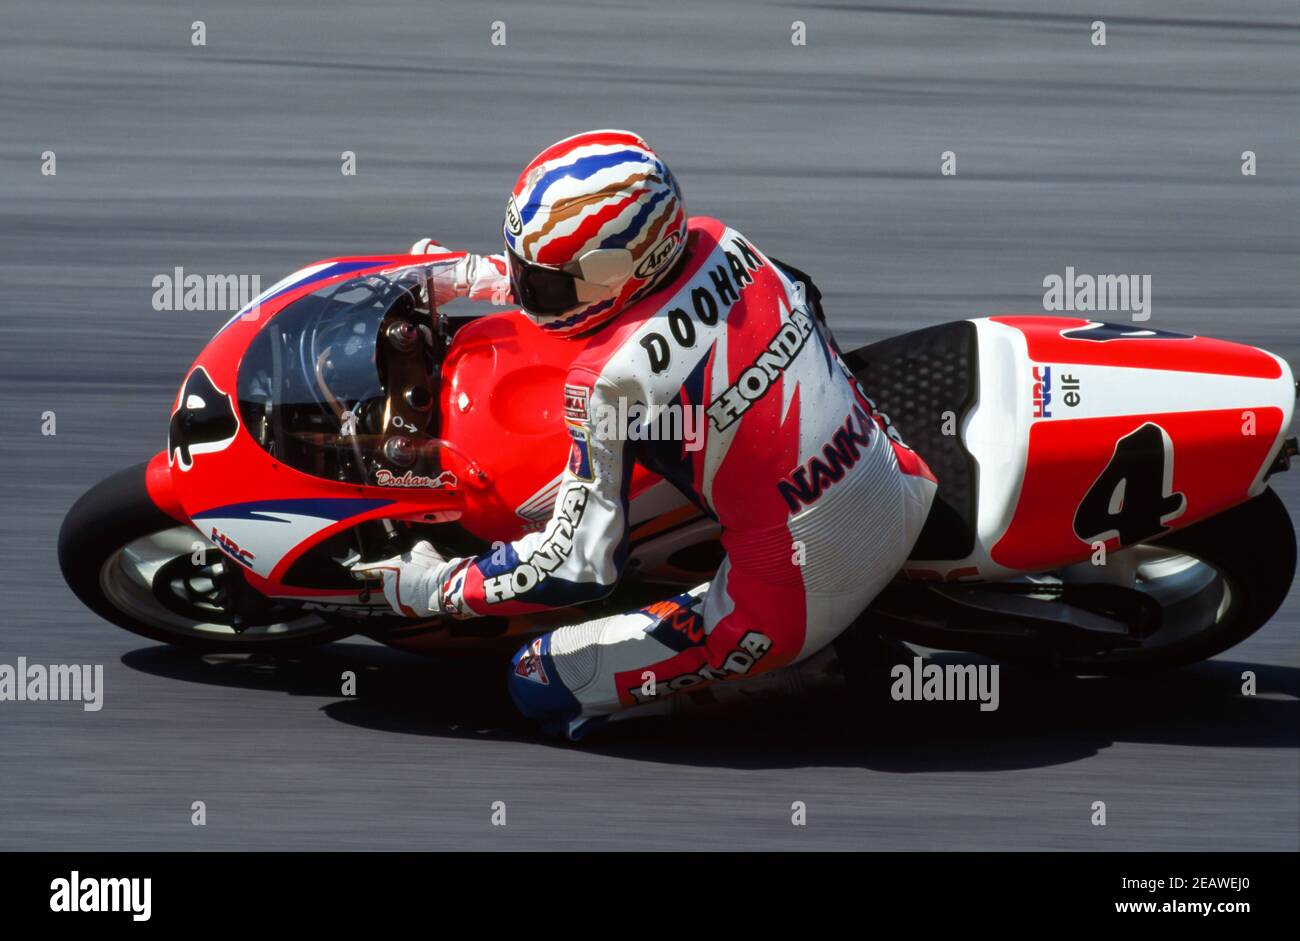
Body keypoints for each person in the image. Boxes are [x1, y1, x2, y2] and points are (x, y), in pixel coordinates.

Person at [354, 129, 936, 739]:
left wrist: (439, 587)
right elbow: (802, 294)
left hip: (792, 601)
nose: (530, 293)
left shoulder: (608, 379)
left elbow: (576, 566)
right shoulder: (722, 240)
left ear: (616, 271)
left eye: (542, 283)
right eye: (525, 273)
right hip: (898, 474)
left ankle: (792, 673)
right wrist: (486, 278)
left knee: (537, 680)